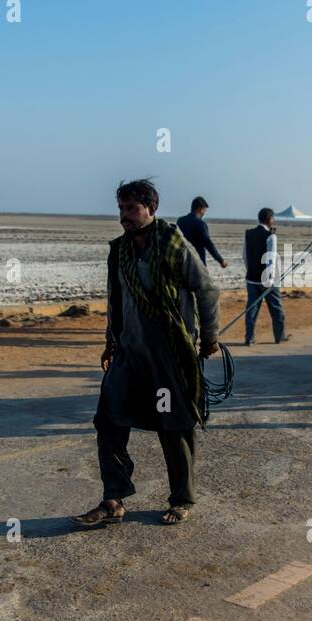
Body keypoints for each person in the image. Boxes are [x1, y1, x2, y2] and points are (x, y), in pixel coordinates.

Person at [74, 179, 220, 528]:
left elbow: (208, 289)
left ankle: (182, 498)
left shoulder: (173, 244)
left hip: (168, 357)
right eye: (121, 209)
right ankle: (113, 499)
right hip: (128, 355)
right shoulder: (120, 250)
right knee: (108, 422)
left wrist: (209, 338)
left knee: (174, 427)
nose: (124, 215)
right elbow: (116, 299)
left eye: (131, 208)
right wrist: (112, 339)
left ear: (150, 208)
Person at [243, 207, 288, 345]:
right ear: (269, 219)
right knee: (276, 309)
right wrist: (269, 278)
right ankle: (279, 336)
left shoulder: (248, 234)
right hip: (267, 280)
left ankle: (249, 338)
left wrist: (250, 271)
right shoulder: (271, 236)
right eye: (273, 218)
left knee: (251, 309)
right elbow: (271, 259)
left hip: (251, 278)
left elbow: (244, 256)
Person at [175, 196, 228, 270]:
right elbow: (208, 244)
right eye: (205, 210)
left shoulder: (180, 221)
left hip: (182, 262)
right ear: (201, 209)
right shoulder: (200, 224)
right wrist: (221, 260)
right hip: (197, 263)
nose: (205, 213)